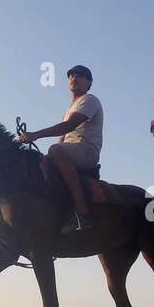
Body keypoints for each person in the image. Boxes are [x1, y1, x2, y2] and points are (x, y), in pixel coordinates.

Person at [18, 64, 104, 232]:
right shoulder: (67, 110)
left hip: (87, 150)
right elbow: (61, 142)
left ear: (89, 83)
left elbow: (69, 126)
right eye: (71, 75)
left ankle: (82, 213)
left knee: (54, 151)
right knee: (41, 160)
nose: (74, 78)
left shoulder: (90, 100)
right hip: (69, 152)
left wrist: (36, 134)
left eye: (80, 75)